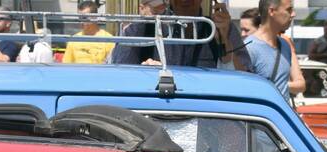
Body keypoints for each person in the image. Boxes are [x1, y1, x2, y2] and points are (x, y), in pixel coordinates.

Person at [112, 0, 243, 70]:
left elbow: (245, 80)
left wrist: (225, 40)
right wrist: (145, 73)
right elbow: (119, 78)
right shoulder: (140, 30)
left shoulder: (222, 27)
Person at [245, 0, 304, 100]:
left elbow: (299, 83)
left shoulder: (285, 45)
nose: (293, 14)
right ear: (272, 11)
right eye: (289, 10)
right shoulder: (249, 48)